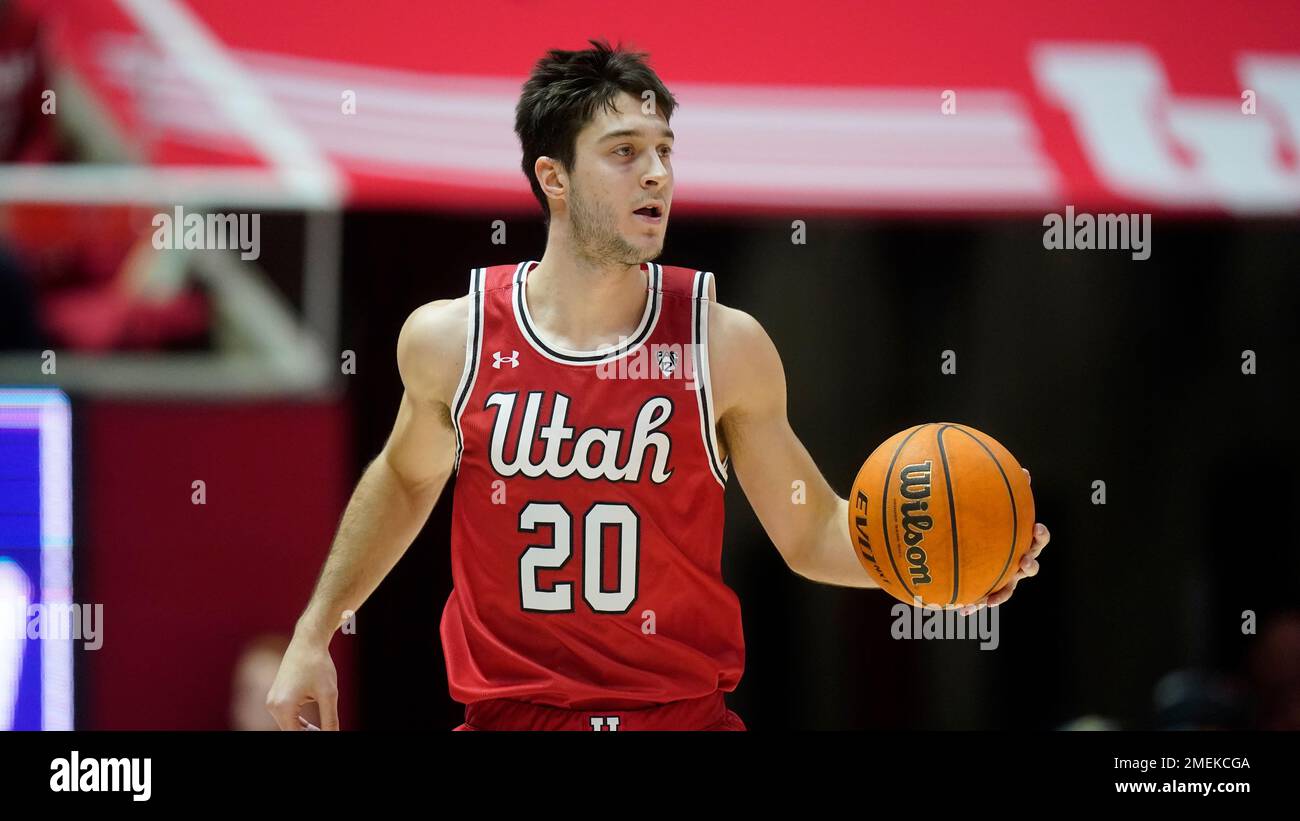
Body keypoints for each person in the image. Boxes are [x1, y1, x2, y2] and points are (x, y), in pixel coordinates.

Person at [266, 39, 1051, 731]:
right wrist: (313, 632)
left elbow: (813, 531)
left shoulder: (722, 345)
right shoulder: (454, 339)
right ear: (554, 177)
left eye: (665, 150)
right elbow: (404, 480)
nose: (657, 174)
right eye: (624, 151)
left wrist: (940, 565)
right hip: (512, 718)